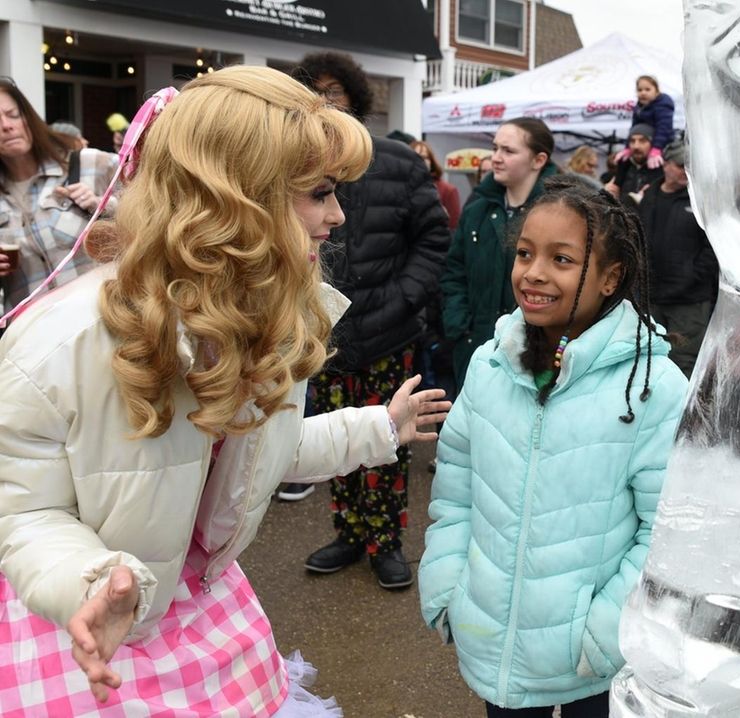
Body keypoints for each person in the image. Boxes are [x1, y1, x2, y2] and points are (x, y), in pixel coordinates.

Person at [0, 66, 450, 716]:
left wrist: (378, 426)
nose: (338, 216)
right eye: (320, 193)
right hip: (85, 629)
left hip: (202, 607)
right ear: (234, 196)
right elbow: (25, 512)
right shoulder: (58, 343)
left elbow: (260, 451)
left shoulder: (262, 317)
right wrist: (92, 584)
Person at [420, 176, 688, 716]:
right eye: (525, 253)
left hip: (593, 664)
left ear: (611, 277)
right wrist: (448, 588)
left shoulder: (650, 387)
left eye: (561, 259)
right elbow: (455, 488)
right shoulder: (490, 364)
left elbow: (666, 534)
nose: (534, 273)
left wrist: (603, 635)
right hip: (492, 643)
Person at [284, 51, 452, 591]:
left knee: (387, 436)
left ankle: (386, 542)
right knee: (335, 437)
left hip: (389, 334)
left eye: (333, 91)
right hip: (324, 335)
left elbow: (434, 239)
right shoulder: (294, 164)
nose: (324, 101)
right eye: (313, 91)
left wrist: (403, 298)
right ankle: (349, 534)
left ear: (355, 97)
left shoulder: (398, 161)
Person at [442, 117, 558, 387]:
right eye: (495, 148)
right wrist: (459, 326)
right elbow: (454, 272)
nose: (496, 157)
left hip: (536, 352)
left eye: (508, 150)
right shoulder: (477, 209)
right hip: (476, 347)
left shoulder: (559, 213)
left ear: (538, 160)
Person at [0, 79, 119, 314]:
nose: (6, 126)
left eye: (13, 115)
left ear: (28, 117)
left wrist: (104, 205)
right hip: (36, 330)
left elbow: (154, 207)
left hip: (103, 319)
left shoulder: (88, 164)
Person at [637, 140, 718, 376]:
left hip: (689, 301)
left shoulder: (701, 199)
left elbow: (713, 248)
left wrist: (693, 277)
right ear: (666, 165)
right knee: (650, 358)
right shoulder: (650, 195)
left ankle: (682, 402)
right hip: (652, 297)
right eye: (681, 165)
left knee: (683, 361)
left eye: (690, 167)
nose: (686, 171)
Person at [613, 75, 676, 169]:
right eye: (640, 90)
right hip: (647, 143)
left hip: (664, 145)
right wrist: (627, 147)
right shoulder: (638, 107)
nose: (643, 93)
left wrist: (656, 148)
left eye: (647, 89)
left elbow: (663, 128)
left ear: (657, 91)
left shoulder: (663, 105)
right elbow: (633, 129)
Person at [604, 124, 663, 204]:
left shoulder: (661, 171)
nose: (636, 146)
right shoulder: (623, 168)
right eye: (632, 141)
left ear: (652, 144)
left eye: (642, 141)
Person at [411, 138, 461, 230]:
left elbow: (454, 229)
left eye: (424, 157)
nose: (420, 161)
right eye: (416, 157)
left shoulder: (448, 190)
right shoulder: (402, 189)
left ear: (431, 161)